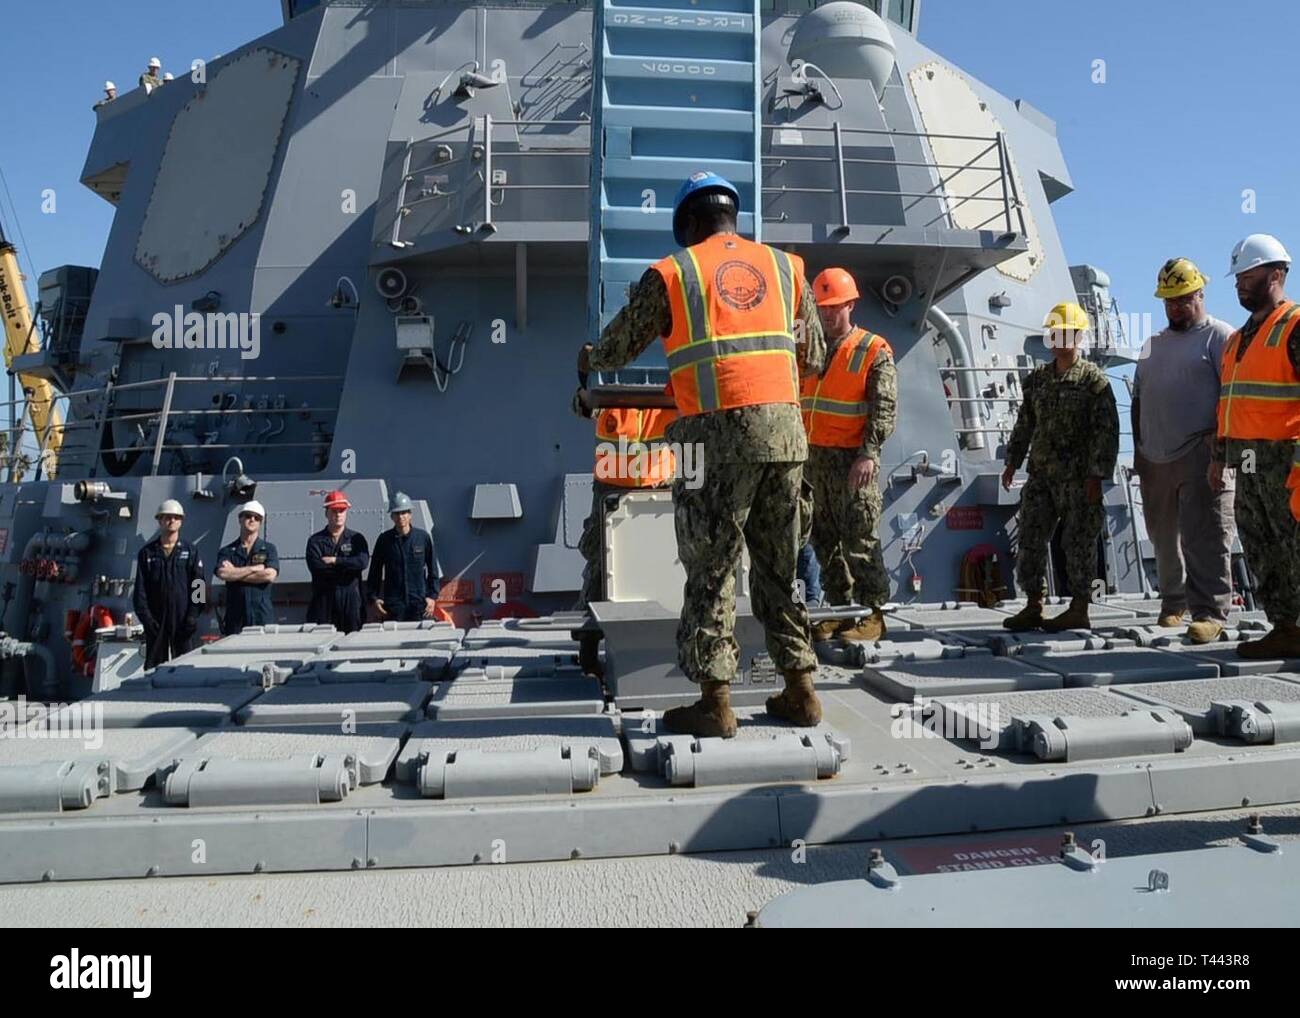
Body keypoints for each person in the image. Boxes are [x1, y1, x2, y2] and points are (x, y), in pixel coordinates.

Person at [578, 170, 826, 737]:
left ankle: (716, 702)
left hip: (711, 442)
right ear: (732, 217)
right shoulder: (786, 268)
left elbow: (618, 346)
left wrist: (587, 357)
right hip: (786, 437)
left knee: (711, 568)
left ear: (688, 223)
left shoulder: (675, 271)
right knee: (779, 565)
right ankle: (800, 689)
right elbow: (813, 356)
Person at [1132, 258, 1236, 643]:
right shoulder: (1151, 345)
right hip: (1155, 456)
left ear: (1201, 294)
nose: (1175, 307)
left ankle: (1209, 611)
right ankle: (1173, 603)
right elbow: (1139, 398)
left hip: (1201, 451)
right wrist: (1140, 448)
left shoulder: (1220, 337)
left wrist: (1220, 450)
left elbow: (1232, 395)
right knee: (1162, 536)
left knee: (1204, 534)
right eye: (1169, 301)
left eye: (1182, 299)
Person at [1001, 302, 1119, 631]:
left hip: (1079, 478)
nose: (1058, 337)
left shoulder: (1093, 381)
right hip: (1041, 475)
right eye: (1054, 331)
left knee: (1077, 540)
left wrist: (1098, 475)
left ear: (1079, 336)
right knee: (1030, 536)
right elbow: (1024, 424)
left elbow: (1106, 432)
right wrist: (1013, 461)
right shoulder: (1038, 380)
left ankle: (1079, 606)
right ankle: (1033, 604)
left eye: (1065, 332)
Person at [1210, 234, 1300, 658]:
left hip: (1286, 458)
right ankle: (1284, 626)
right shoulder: (1236, 340)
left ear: (1276, 274)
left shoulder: (1295, 326)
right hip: (1246, 459)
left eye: (1248, 275)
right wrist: (1218, 458)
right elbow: (1228, 402)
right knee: (1260, 542)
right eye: (1238, 278)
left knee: (1292, 543)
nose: (1240, 284)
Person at [800, 267, 897, 641]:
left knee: (860, 538)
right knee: (824, 539)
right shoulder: (808, 347)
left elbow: (884, 407)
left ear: (851, 305)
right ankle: (840, 610)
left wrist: (869, 454)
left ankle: (873, 614)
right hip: (815, 460)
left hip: (853, 460)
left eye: (835, 306)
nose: (827, 314)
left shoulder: (873, 350)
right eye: (822, 307)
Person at [571, 383, 677, 608]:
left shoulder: (671, 390)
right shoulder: (606, 389)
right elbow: (581, 405)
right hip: (610, 490)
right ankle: (589, 619)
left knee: (667, 558)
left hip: (659, 490)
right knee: (599, 559)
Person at [131, 499, 204, 669]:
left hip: (183, 618)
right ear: (159, 520)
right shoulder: (147, 553)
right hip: (156, 619)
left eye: (176, 517)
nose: (171, 521)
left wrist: (193, 615)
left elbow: (198, 584)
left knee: (185, 665)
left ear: (181, 521)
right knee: (154, 667)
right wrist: (147, 619)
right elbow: (140, 591)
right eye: (167, 517)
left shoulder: (190, 551)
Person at [368, 491, 442, 622]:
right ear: (392, 516)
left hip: (419, 604)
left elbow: (432, 569)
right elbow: (375, 572)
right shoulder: (384, 540)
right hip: (393, 605)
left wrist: (432, 596)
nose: (400, 517)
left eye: (404, 512)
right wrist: (374, 598)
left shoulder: (422, 538)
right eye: (396, 513)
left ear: (410, 515)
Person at [305, 490, 370, 632]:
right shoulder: (315, 541)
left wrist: (335, 561)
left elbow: (362, 563)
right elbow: (317, 568)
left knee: (353, 639)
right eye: (334, 510)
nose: (338, 514)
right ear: (326, 513)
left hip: (351, 601)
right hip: (324, 601)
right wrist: (348, 566)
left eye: (341, 510)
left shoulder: (357, 539)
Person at [214, 500, 279, 635]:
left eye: (256, 518)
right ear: (240, 519)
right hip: (236, 617)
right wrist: (253, 569)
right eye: (248, 516)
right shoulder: (227, 551)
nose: (252, 520)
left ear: (260, 522)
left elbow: (270, 575)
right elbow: (223, 574)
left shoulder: (269, 549)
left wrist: (235, 573)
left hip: (261, 615)